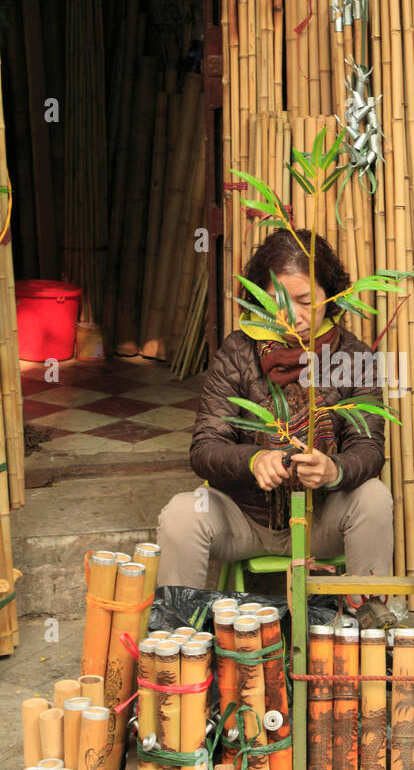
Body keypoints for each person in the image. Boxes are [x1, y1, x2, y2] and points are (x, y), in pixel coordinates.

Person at [157, 228, 395, 629]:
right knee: (182, 513)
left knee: (373, 497)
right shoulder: (237, 352)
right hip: (245, 520)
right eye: (279, 303)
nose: (294, 316)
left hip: (323, 521)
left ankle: (367, 633)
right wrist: (254, 459)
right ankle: (181, 643)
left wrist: (333, 469)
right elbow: (205, 447)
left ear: (331, 295)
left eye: (305, 301)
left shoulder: (352, 355)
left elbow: (368, 448)